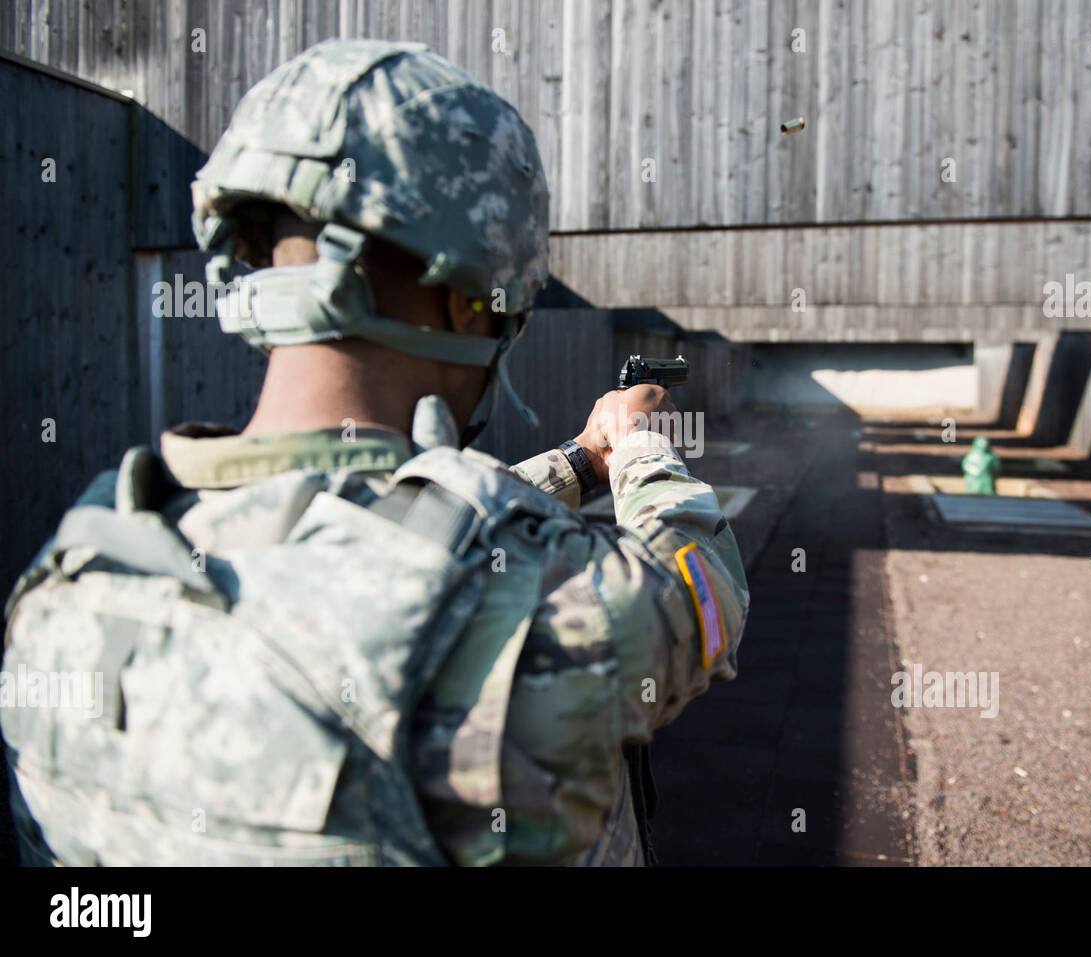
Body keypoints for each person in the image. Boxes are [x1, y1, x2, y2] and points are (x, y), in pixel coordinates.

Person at [2, 39, 748, 866]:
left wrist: (579, 458)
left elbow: (374, 529)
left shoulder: (75, 583)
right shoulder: (535, 607)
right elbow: (704, 597)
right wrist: (643, 446)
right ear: (472, 300)